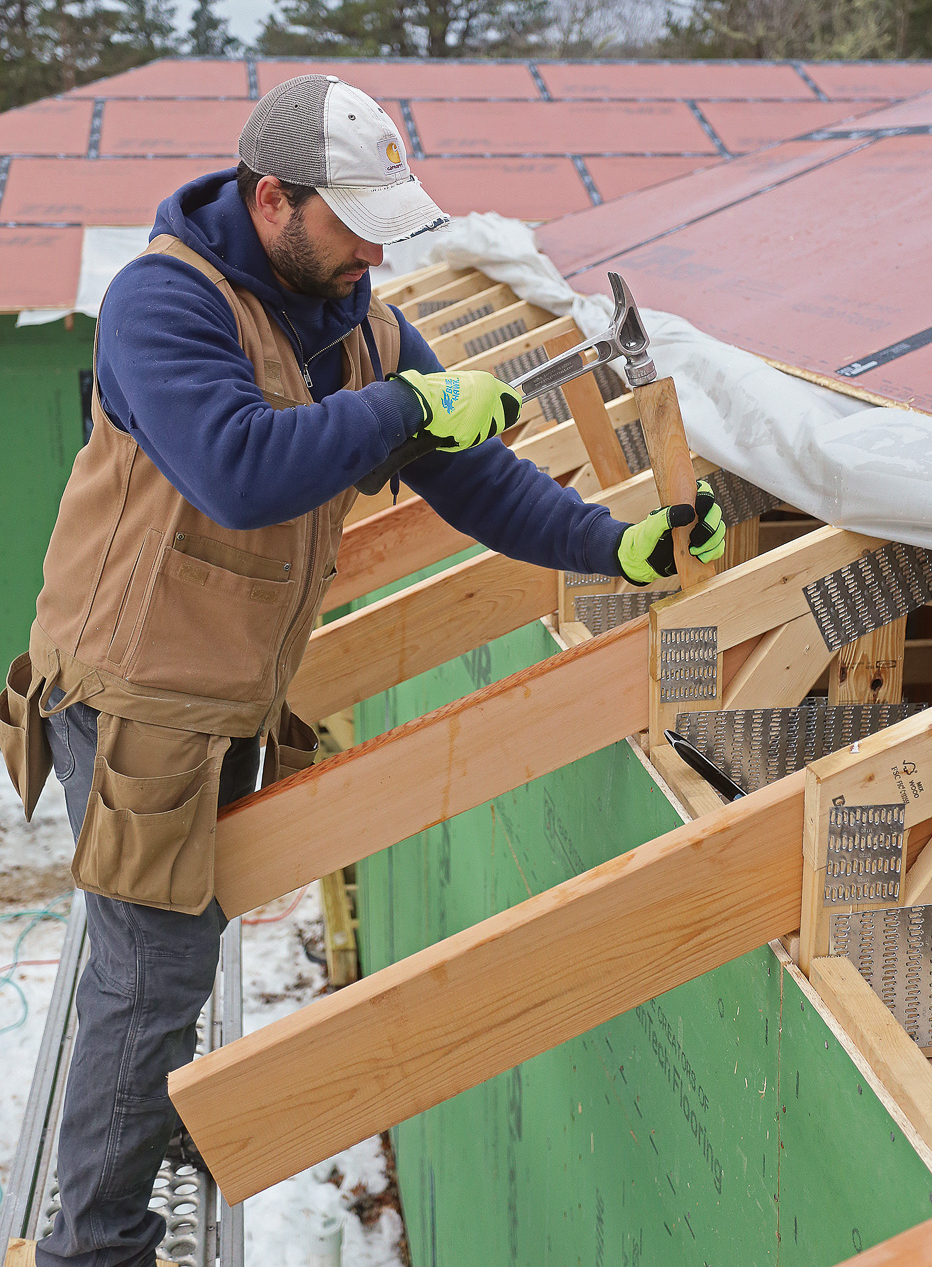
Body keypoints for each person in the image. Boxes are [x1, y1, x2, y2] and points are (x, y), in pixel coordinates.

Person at [0, 73, 725, 1267]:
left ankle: (129, 1148)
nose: (371, 255)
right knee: (149, 976)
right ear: (273, 198)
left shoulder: (363, 316)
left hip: (220, 686)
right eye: (353, 226)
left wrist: (612, 542)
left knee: (170, 957)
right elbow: (240, 469)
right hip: (131, 695)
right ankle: (99, 1243)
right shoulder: (159, 305)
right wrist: (401, 407)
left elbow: (472, 474)